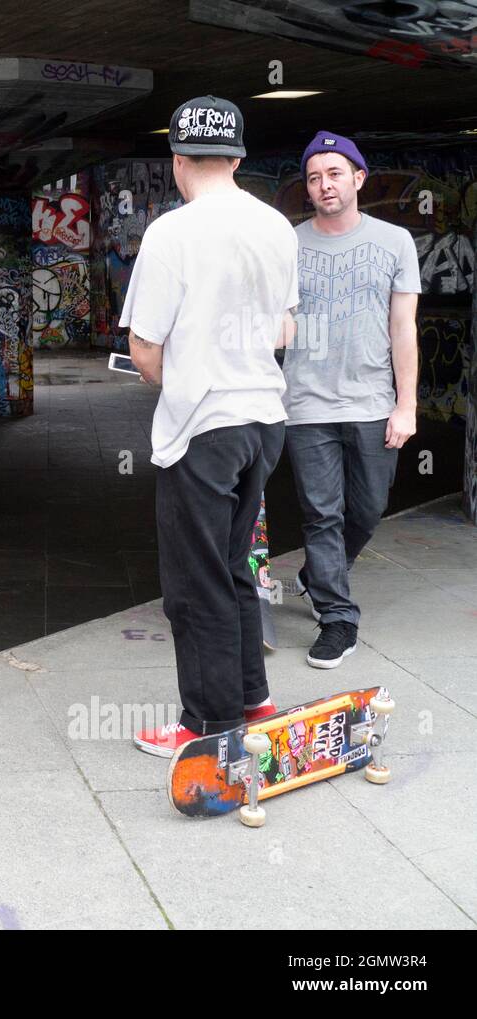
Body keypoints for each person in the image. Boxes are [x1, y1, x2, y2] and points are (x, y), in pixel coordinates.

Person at [122, 96, 299, 756]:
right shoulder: (278, 226)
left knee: (194, 583)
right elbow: (285, 326)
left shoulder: (172, 234)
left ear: (177, 160)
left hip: (204, 426)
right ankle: (252, 697)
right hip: (264, 424)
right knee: (233, 566)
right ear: (238, 156)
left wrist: (194, 369)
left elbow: (144, 351)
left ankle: (207, 724)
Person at [283, 131, 420, 668]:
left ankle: (317, 573)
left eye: (335, 174)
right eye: (314, 177)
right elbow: (278, 323)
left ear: (359, 178)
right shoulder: (288, 243)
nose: (324, 185)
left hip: (371, 402)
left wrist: (405, 404)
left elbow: (403, 327)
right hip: (307, 404)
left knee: (368, 508)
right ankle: (337, 618)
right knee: (322, 514)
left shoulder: (395, 241)